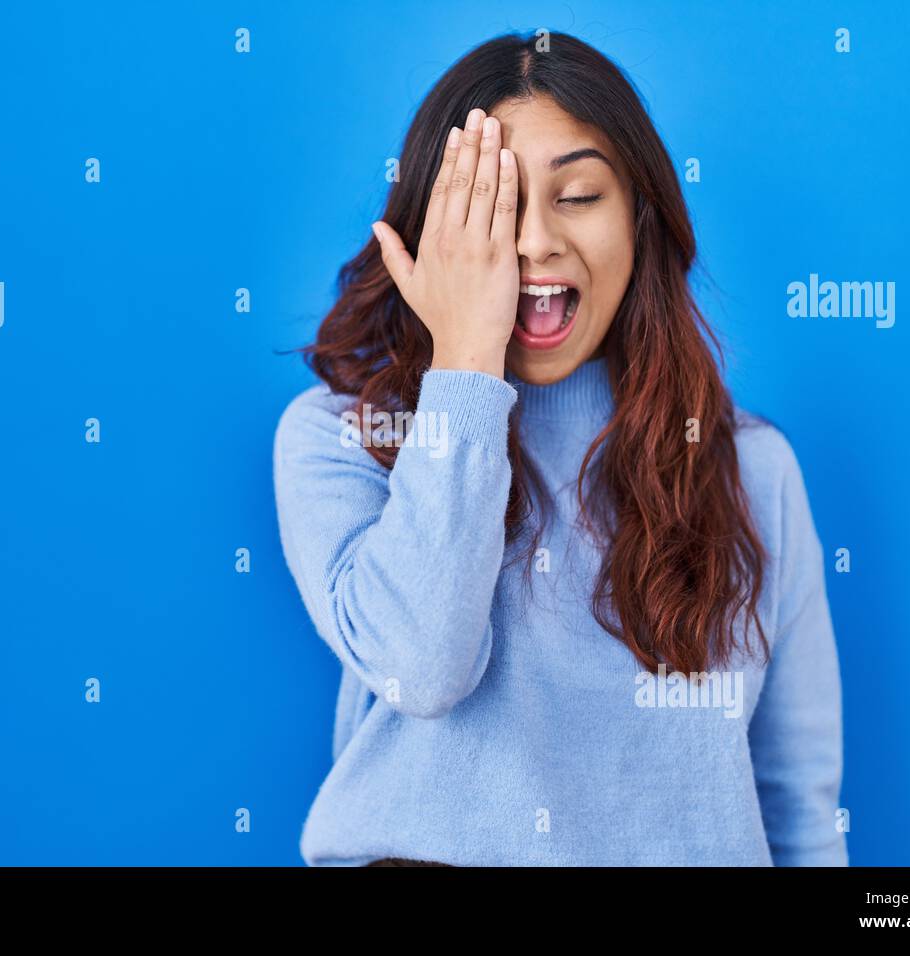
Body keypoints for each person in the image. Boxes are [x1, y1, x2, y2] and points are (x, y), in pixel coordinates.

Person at [273, 30, 847, 867]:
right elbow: (424, 668)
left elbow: (797, 805)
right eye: (493, 206)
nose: (534, 241)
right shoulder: (343, 441)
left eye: (577, 195)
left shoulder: (752, 468)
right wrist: (465, 360)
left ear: (642, 219)